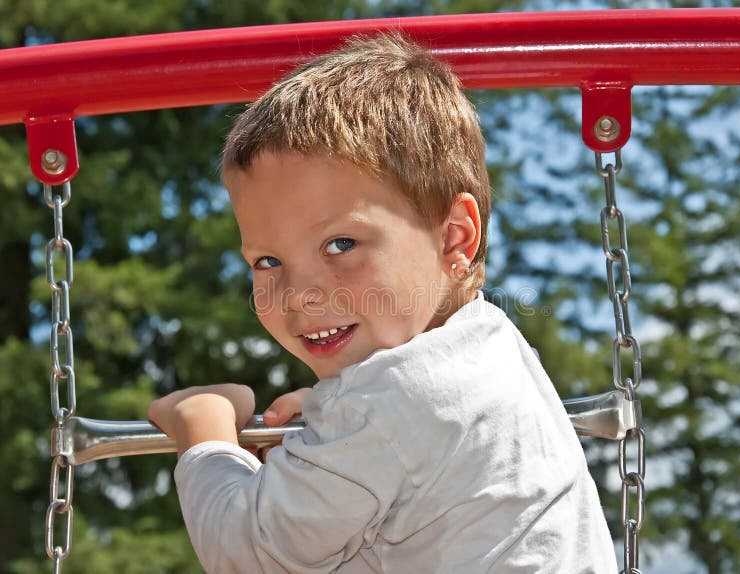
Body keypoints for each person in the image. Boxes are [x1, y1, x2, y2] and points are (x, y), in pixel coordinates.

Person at [148, 32, 617, 573]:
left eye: (341, 245)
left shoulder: (392, 404)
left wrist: (203, 432)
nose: (299, 294)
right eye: (267, 262)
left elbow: (249, 554)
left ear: (454, 239)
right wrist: (337, 419)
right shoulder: (490, 348)